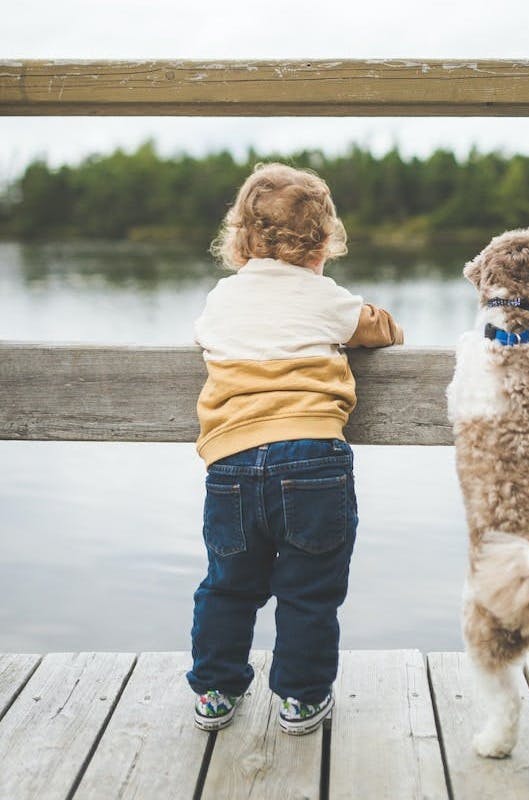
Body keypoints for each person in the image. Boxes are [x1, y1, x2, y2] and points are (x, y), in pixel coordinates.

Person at [186, 162, 403, 735]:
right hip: (311, 460)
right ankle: (302, 700)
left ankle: (215, 690)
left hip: (230, 463)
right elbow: (381, 330)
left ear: (239, 241)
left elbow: (204, 335)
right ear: (324, 242)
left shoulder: (222, 299)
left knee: (228, 585)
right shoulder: (326, 297)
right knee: (310, 592)